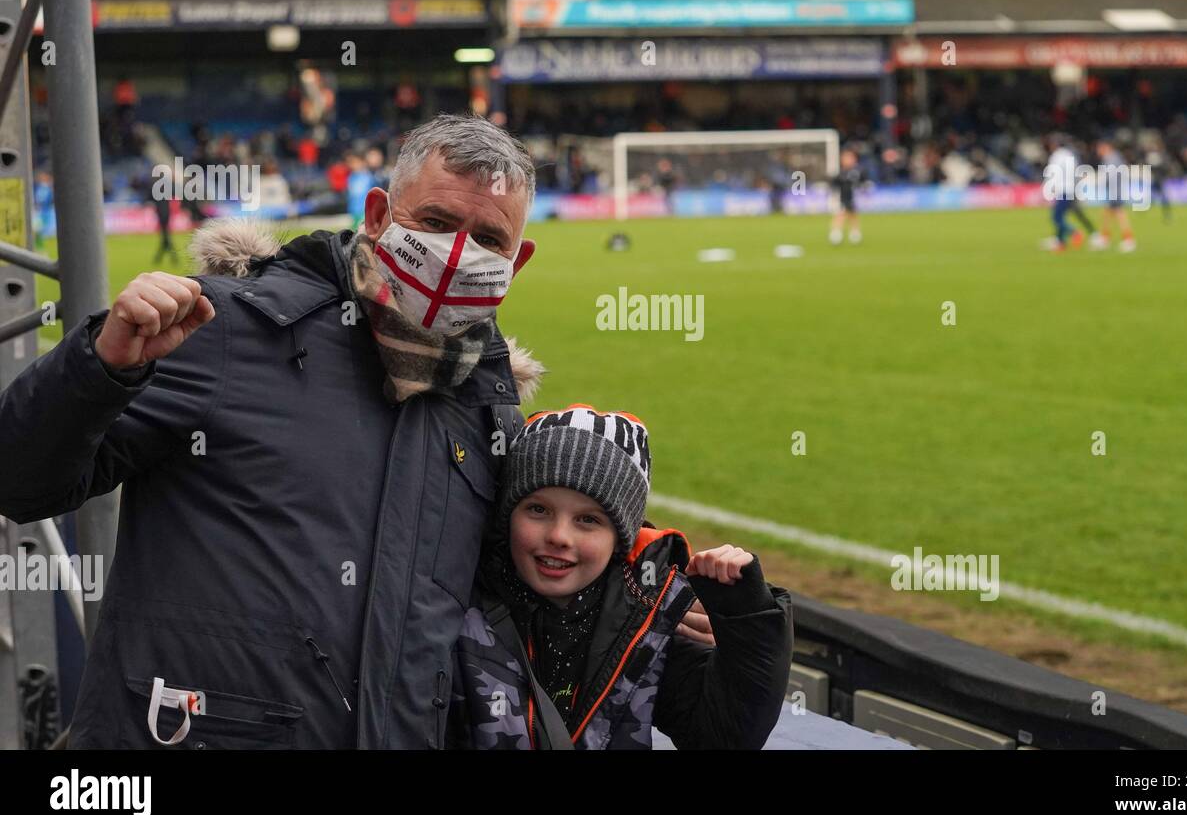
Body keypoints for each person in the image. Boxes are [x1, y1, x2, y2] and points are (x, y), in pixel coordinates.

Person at [0, 114, 556, 749]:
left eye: (489, 239)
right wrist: (99, 366)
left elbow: (504, 608)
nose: (459, 253)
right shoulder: (222, 326)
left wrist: (663, 605)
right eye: (434, 223)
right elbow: (19, 480)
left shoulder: (485, 404)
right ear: (378, 215)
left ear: (519, 261)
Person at [446, 405, 793, 750]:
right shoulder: (453, 607)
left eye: (588, 520)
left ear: (620, 539)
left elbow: (725, 737)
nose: (559, 536)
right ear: (507, 516)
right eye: (539, 509)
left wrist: (747, 617)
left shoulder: (647, 623)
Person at [1089, 138, 1136, 253]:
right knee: (1107, 213)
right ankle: (1106, 238)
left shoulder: (1111, 158)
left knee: (1119, 213)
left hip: (1115, 190)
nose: (1098, 151)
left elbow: (1112, 176)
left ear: (1106, 147)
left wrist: (1104, 184)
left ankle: (1128, 240)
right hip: (1115, 189)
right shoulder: (1114, 157)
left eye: (1100, 148)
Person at [829, 147, 866, 245]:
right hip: (841, 197)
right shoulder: (840, 173)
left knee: (853, 214)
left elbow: (863, 183)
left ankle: (855, 232)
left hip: (853, 197)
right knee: (840, 214)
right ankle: (836, 233)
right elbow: (834, 185)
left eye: (850, 158)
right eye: (845, 158)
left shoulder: (858, 172)